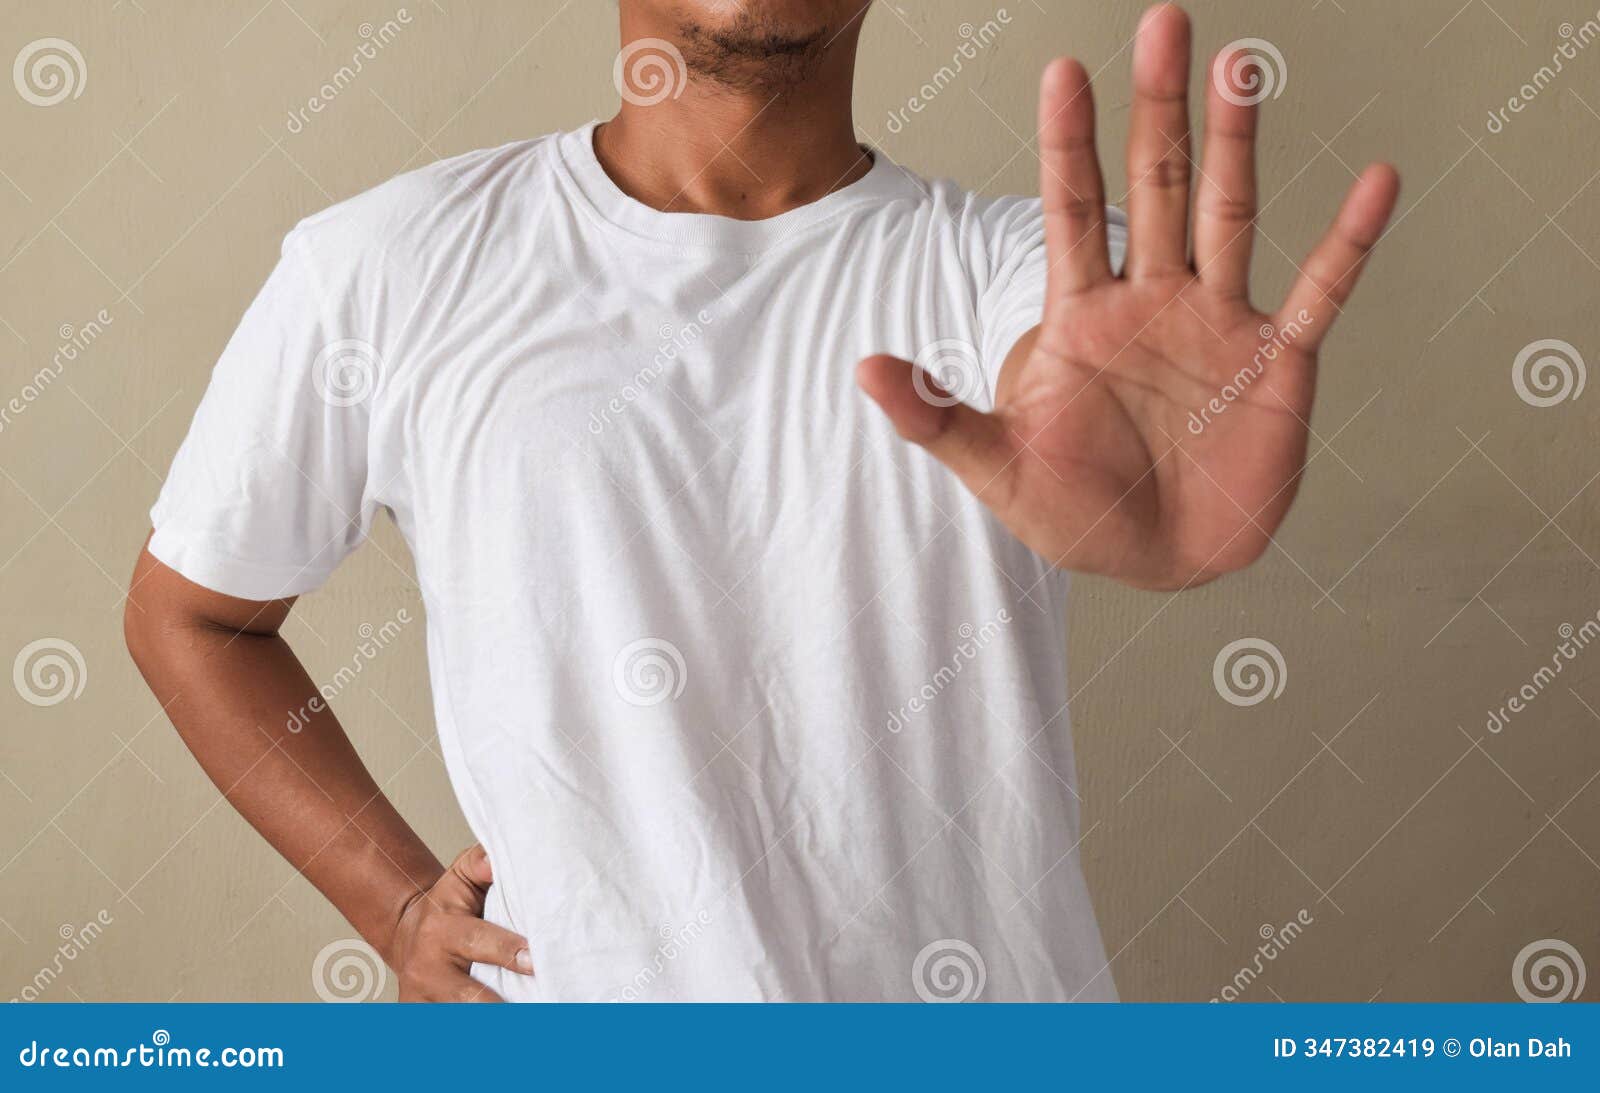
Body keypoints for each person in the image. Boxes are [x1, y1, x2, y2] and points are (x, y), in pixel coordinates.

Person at [124, 1, 1399, 1002]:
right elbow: (193, 615)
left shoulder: (1040, 282)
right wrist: (395, 901)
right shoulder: (387, 265)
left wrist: (1166, 519)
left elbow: (1105, 417)